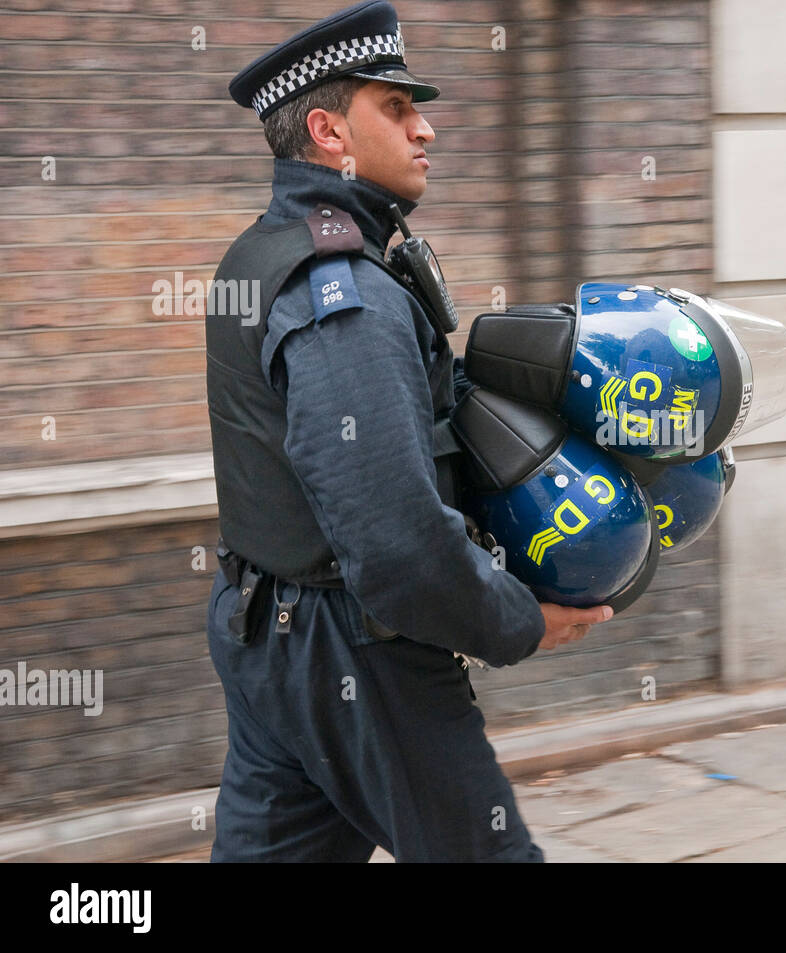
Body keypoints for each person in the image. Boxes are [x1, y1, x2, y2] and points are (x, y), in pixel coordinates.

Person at [204, 0, 612, 862]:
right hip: (354, 652)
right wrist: (519, 620)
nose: (425, 129)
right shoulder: (340, 292)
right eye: (395, 108)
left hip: (265, 630)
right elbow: (394, 542)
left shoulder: (262, 250)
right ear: (328, 131)